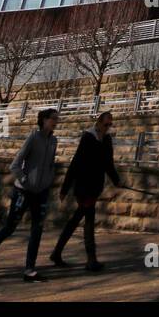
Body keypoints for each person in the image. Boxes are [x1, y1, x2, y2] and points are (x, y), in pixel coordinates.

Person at [0, 108, 59, 283]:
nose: (55, 121)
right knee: (9, 228)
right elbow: (15, 164)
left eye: (56, 119)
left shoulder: (54, 141)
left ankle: (30, 269)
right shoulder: (33, 138)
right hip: (24, 190)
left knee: (37, 230)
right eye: (53, 118)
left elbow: (51, 164)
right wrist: (25, 180)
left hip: (41, 192)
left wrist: (48, 180)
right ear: (43, 120)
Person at [49, 111, 121, 272]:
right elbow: (76, 162)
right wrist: (65, 188)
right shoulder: (88, 137)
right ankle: (91, 259)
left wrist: (116, 180)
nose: (108, 127)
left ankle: (58, 252)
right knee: (88, 219)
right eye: (106, 124)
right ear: (99, 122)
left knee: (77, 219)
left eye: (110, 125)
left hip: (95, 186)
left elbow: (108, 163)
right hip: (83, 185)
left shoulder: (107, 139)